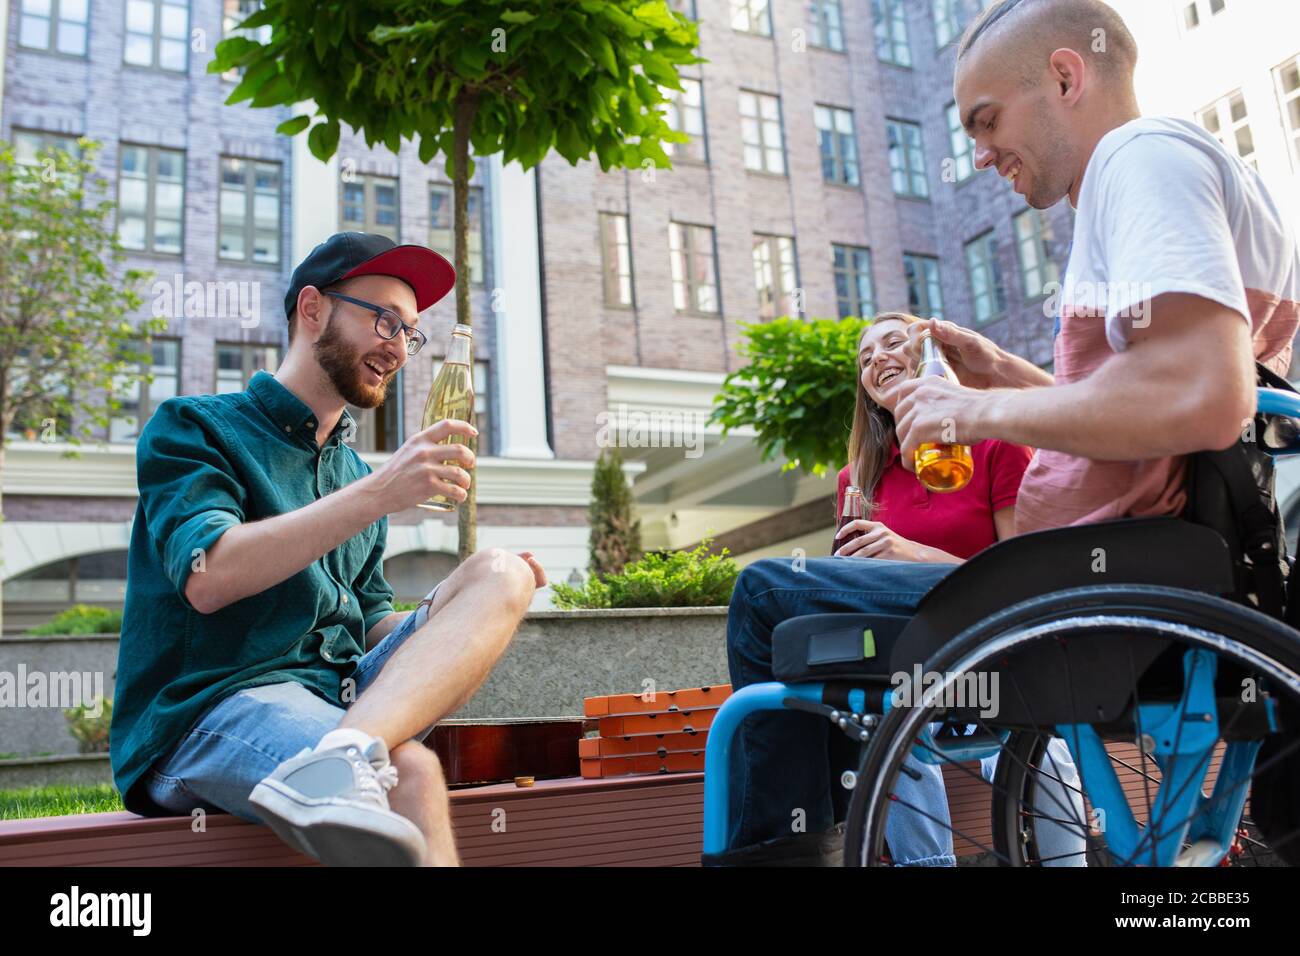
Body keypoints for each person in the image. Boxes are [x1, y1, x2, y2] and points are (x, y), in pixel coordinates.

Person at [707, 0, 1298, 866]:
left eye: (986, 122)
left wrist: (971, 413)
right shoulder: (1189, 173)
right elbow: (1162, 419)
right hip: (1150, 568)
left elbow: (1209, 396)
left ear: (1067, 76)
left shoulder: (1140, 157)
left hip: (1082, 588)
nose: (980, 154)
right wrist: (1008, 375)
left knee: (767, 595)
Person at [110, 232, 546, 867]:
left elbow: (370, 626)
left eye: (409, 333)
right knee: (413, 774)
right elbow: (208, 576)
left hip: (337, 708)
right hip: (209, 710)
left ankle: (342, 756)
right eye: (384, 320)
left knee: (500, 574)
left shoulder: (352, 473)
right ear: (312, 309)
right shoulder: (195, 426)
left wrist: (455, 615)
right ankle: (343, 757)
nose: (397, 347)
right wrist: (376, 494)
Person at [832, 310, 1084, 866]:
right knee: (887, 718)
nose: (878, 360)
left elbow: (1021, 579)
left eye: (894, 344)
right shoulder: (857, 480)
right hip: (911, 655)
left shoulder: (993, 441)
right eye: (866, 358)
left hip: (998, 644)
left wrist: (912, 554)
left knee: (1039, 747)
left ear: (928, 356)